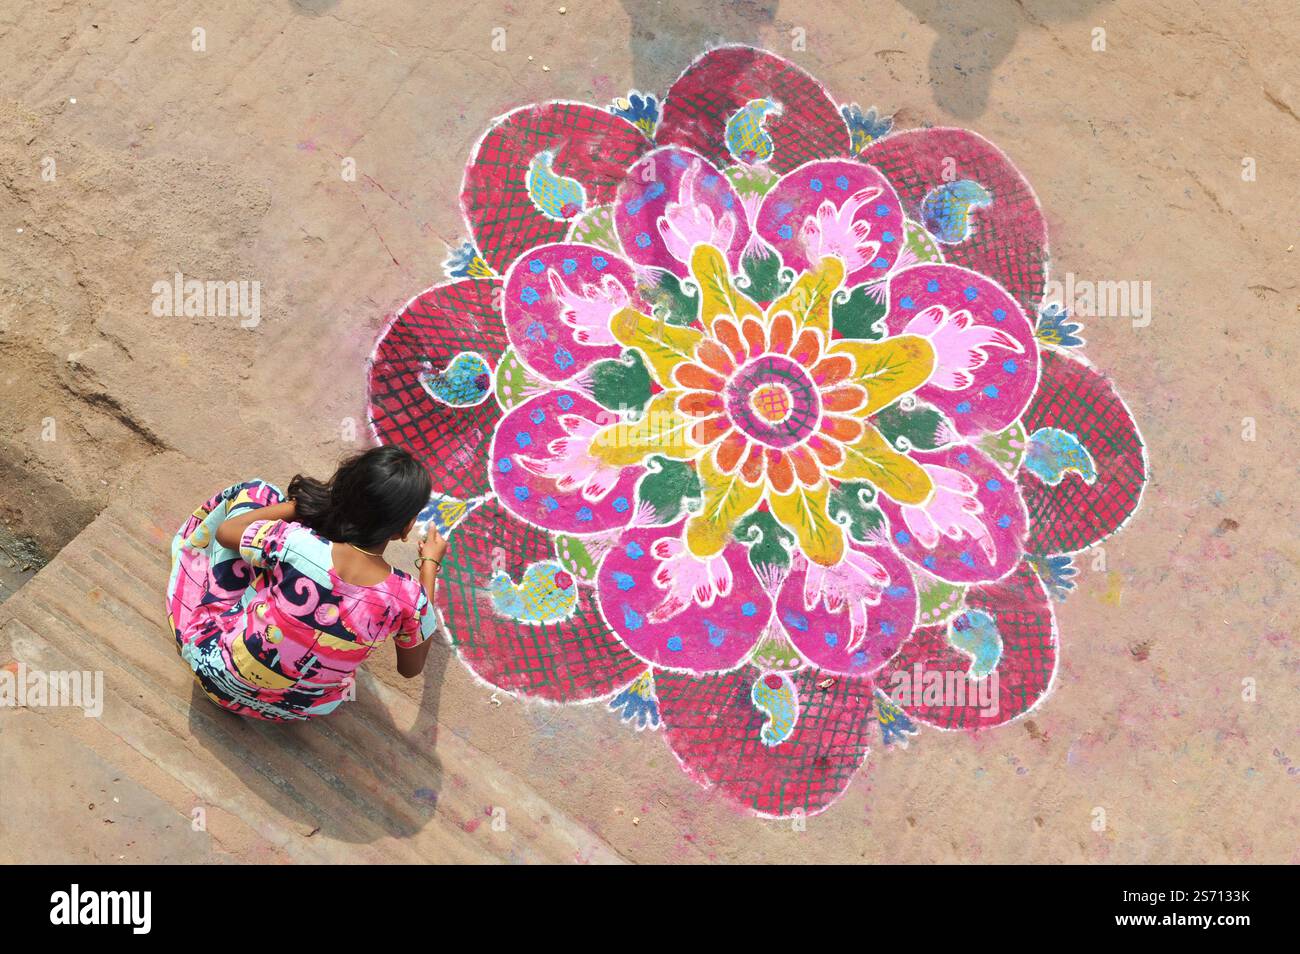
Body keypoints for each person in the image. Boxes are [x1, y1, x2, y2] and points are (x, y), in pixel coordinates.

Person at [165, 446, 447, 721]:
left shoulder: (294, 540)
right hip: (293, 709)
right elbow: (410, 668)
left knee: (258, 493)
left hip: (213, 670)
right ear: (405, 528)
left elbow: (227, 533)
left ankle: (194, 584)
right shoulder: (409, 598)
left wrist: (302, 507)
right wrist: (429, 566)